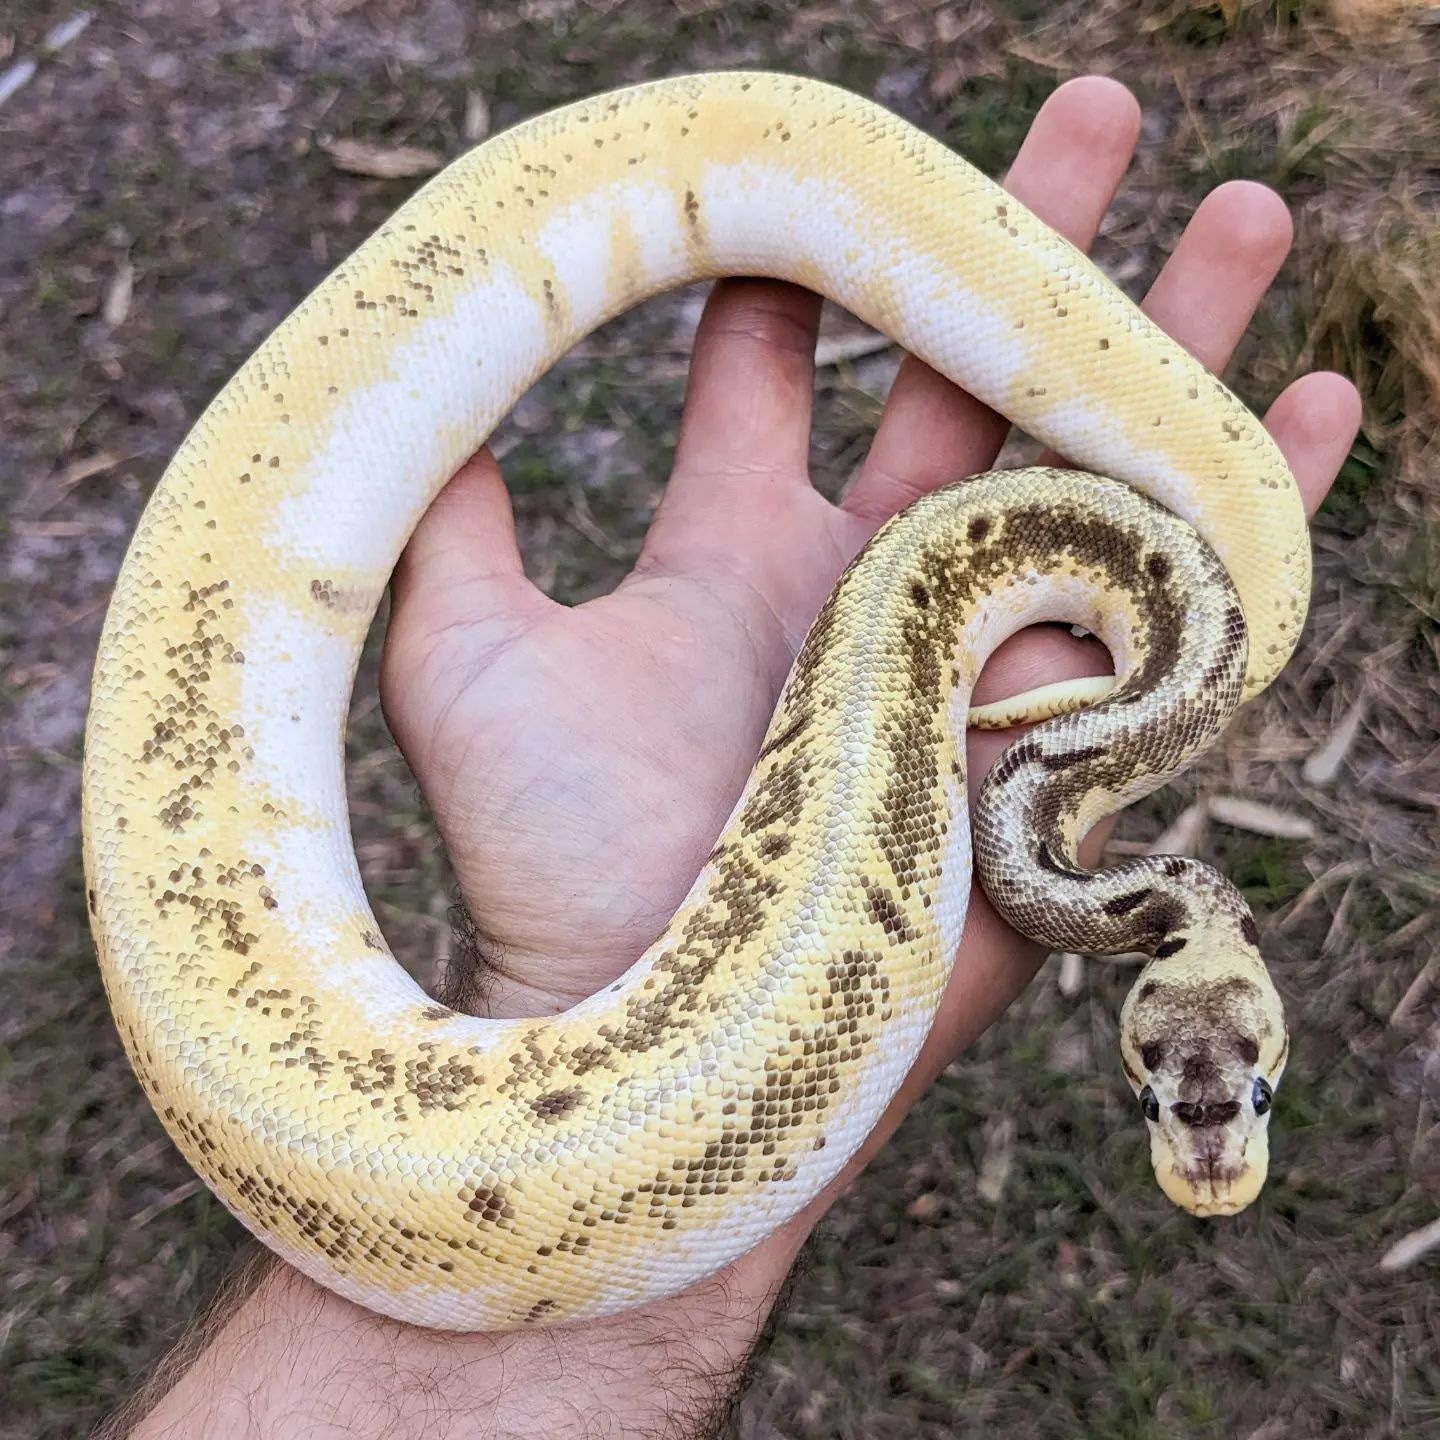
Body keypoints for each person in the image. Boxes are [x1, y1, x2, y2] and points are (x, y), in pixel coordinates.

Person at [106, 76, 1359, 1439]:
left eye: (1199, 1108)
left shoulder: (1087, 703)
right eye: (1244, 1097)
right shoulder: (1118, 692)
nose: (1215, 1142)